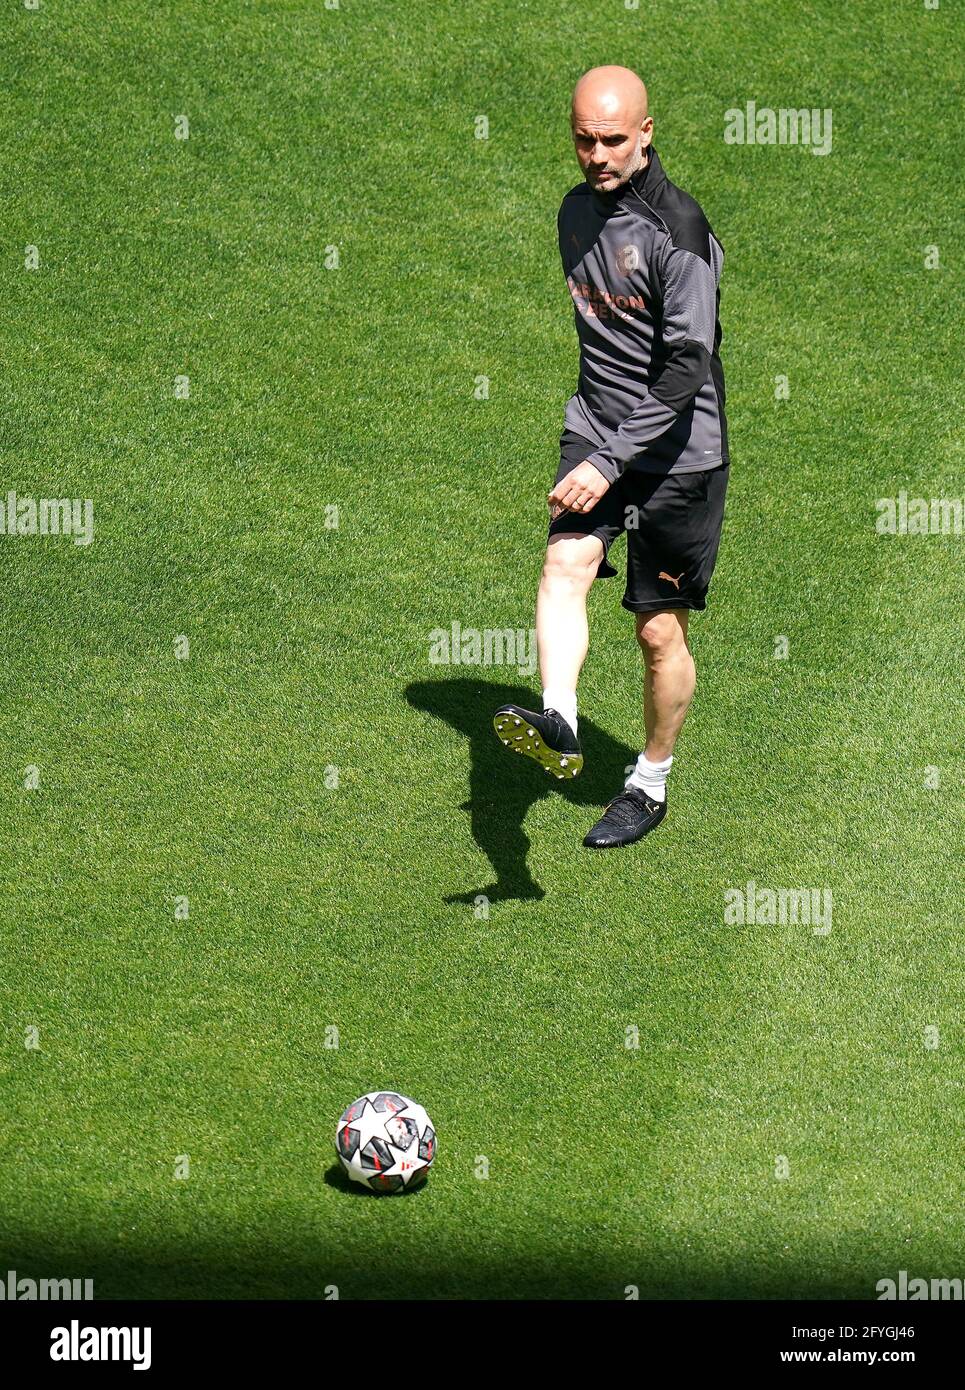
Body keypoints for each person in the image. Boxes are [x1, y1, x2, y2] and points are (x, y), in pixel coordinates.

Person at [494, 65, 730, 849]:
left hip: (677, 453)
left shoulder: (679, 233)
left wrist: (612, 459)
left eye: (612, 141)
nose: (595, 156)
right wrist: (594, 445)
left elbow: (686, 364)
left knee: (657, 631)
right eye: (583, 140)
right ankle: (558, 718)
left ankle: (648, 784)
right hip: (598, 426)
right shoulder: (572, 212)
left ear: (646, 134)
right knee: (564, 565)